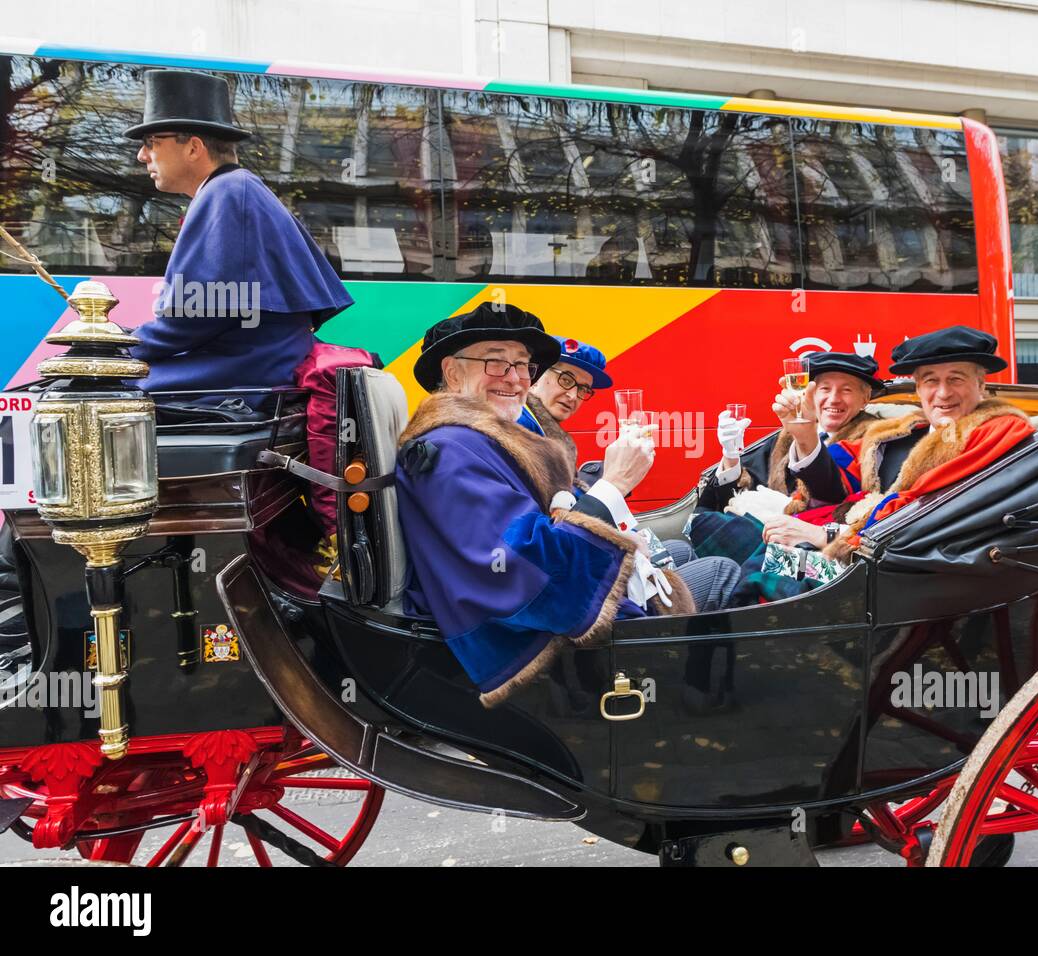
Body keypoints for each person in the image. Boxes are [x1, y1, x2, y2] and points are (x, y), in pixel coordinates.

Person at [396, 303, 740, 707]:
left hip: (525, 621)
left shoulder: (474, 440)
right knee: (723, 573)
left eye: (524, 365)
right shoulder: (451, 450)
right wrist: (612, 485)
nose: (516, 378)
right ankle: (705, 703)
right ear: (452, 373)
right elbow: (529, 572)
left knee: (677, 557)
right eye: (496, 363)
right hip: (523, 643)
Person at [125, 69, 353, 393]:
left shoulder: (228, 192)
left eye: (152, 143)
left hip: (241, 372)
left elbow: (197, 314)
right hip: (250, 364)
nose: (142, 155)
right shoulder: (235, 188)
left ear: (193, 148)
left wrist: (115, 346)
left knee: (98, 387)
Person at [763, 326, 1037, 556]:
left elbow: (927, 509)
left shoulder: (999, 430)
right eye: (931, 381)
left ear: (980, 386)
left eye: (956, 379)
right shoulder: (896, 435)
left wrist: (828, 535)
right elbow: (834, 488)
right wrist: (807, 435)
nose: (943, 393)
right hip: (848, 564)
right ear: (918, 390)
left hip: (908, 578)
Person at [698, 352, 885, 512]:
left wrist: (806, 440)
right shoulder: (785, 438)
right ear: (809, 394)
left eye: (846, 390)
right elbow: (726, 500)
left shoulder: (876, 444)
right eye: (825, 388)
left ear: (865, 398)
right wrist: (730, 457)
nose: (834, 399)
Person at [516, 336, 612, 472]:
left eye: (583, 389)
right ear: (536, 375)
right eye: (566, 380)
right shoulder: (520, 427)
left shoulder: (538, 428)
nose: (573, 396)